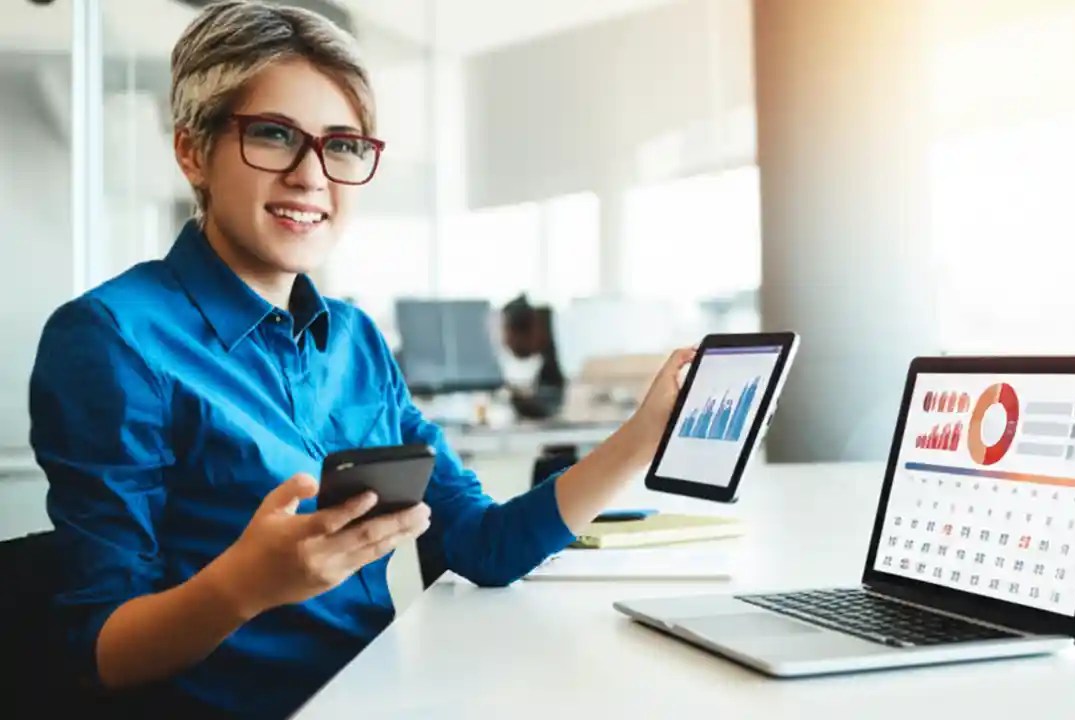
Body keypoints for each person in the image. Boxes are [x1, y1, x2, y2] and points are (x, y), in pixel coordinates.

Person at [27, 3, 693, 718]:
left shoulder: (353, 340)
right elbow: (99, 651)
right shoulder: (110, 338)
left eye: (342, 145)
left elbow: (483, 546)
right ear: (194, 151)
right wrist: (242, 586)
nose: (313, 175)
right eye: (275, 135)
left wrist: (642, 440)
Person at [500, 294, 566, 419]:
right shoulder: (510, 368)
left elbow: (546, 410)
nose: (504, 341)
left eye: (506, 332)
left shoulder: (552, 377)